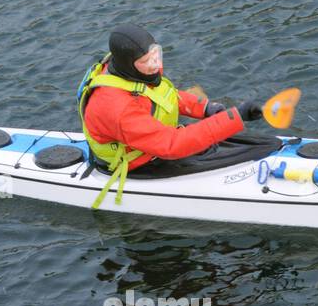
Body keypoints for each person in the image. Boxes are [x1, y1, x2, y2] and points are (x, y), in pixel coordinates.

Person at [77, 23, 265, 206]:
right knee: (229, 146)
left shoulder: (128, 70)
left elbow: (162, 96)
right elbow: (172, 145)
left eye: (156, 55)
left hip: (150, 142)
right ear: (128, 64)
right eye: (145, 62)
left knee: (250, 143)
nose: (155, 65)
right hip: (140, 162)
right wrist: (235, 117)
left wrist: (205, 108)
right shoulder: (117, 108)